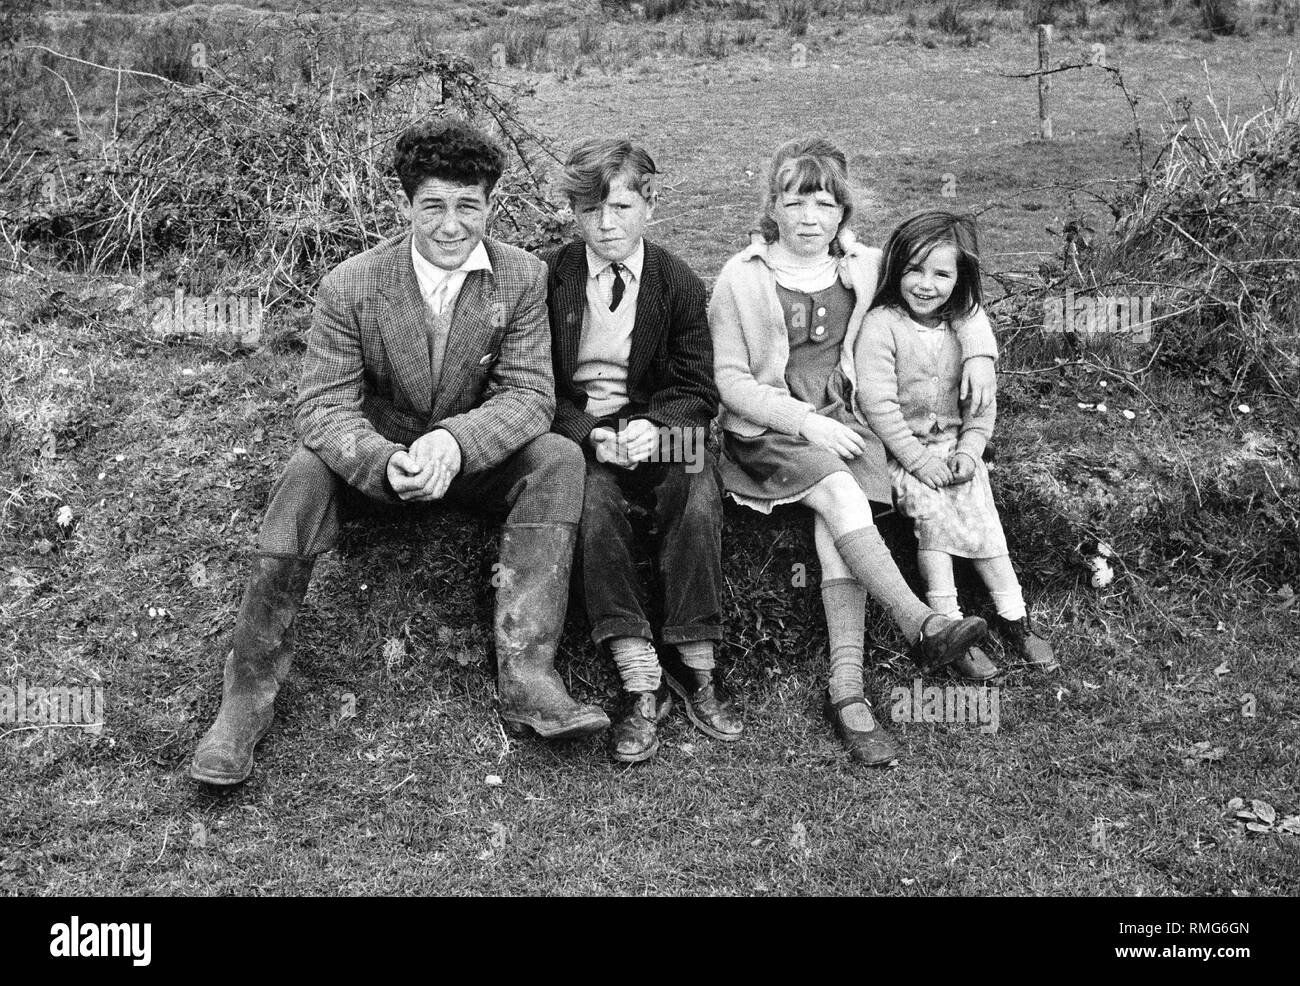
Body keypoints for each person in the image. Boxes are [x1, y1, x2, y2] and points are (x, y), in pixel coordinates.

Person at [190, 119, 607, 786]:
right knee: (303, 472)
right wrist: (384, 460)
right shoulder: (350, 285)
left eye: (468, 206)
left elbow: (529, 394)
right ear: (405, 206)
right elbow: (322, 408)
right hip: (379, 467)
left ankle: (529, 675)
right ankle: (244, 699)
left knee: (559, 457)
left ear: (489, 206)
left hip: (469, 466)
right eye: (433, 205)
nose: (450, 225)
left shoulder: (523, 277)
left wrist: (455, 441)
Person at [708, 137, 999, 768]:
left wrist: (978, 349)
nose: (809, 217)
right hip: (771, 429)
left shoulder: (865, 265)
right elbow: (730, 380)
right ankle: (920, 624)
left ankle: (847, 693)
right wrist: (804, 422)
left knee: (838, 522)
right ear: (773, 207)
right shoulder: (742, 277)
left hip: (847, 421)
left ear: (843, 211)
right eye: (794, 201)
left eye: (824, 202)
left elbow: (950, 288)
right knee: (840, 494)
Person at [542, 138, 742, 764]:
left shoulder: (677, 281)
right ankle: (638, 674)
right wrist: (585, 431)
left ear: (650, 206)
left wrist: (657, 427)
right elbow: (530, 383)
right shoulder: (548, 276)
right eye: (591, 210)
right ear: (573, 213)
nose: (607, 224)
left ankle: (696, 659)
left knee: (696, 484)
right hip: (584, 432)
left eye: (623, 207)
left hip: (660, 429)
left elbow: (697, 386)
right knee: (592, 502)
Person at [845, 211, 1057, 674]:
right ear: (895, 268)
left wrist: (970, 450)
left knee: (980, 508)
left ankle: (1014, 615)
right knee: (934, 515)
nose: (926, 284)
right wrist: (919, 461)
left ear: (960, 279)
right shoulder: (882, 325)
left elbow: (981, 405)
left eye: (941, 273)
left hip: (955, 449)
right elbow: (878, 406)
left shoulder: (963, 327)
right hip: (904, 454)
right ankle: (950, 623)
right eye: (913, 270)